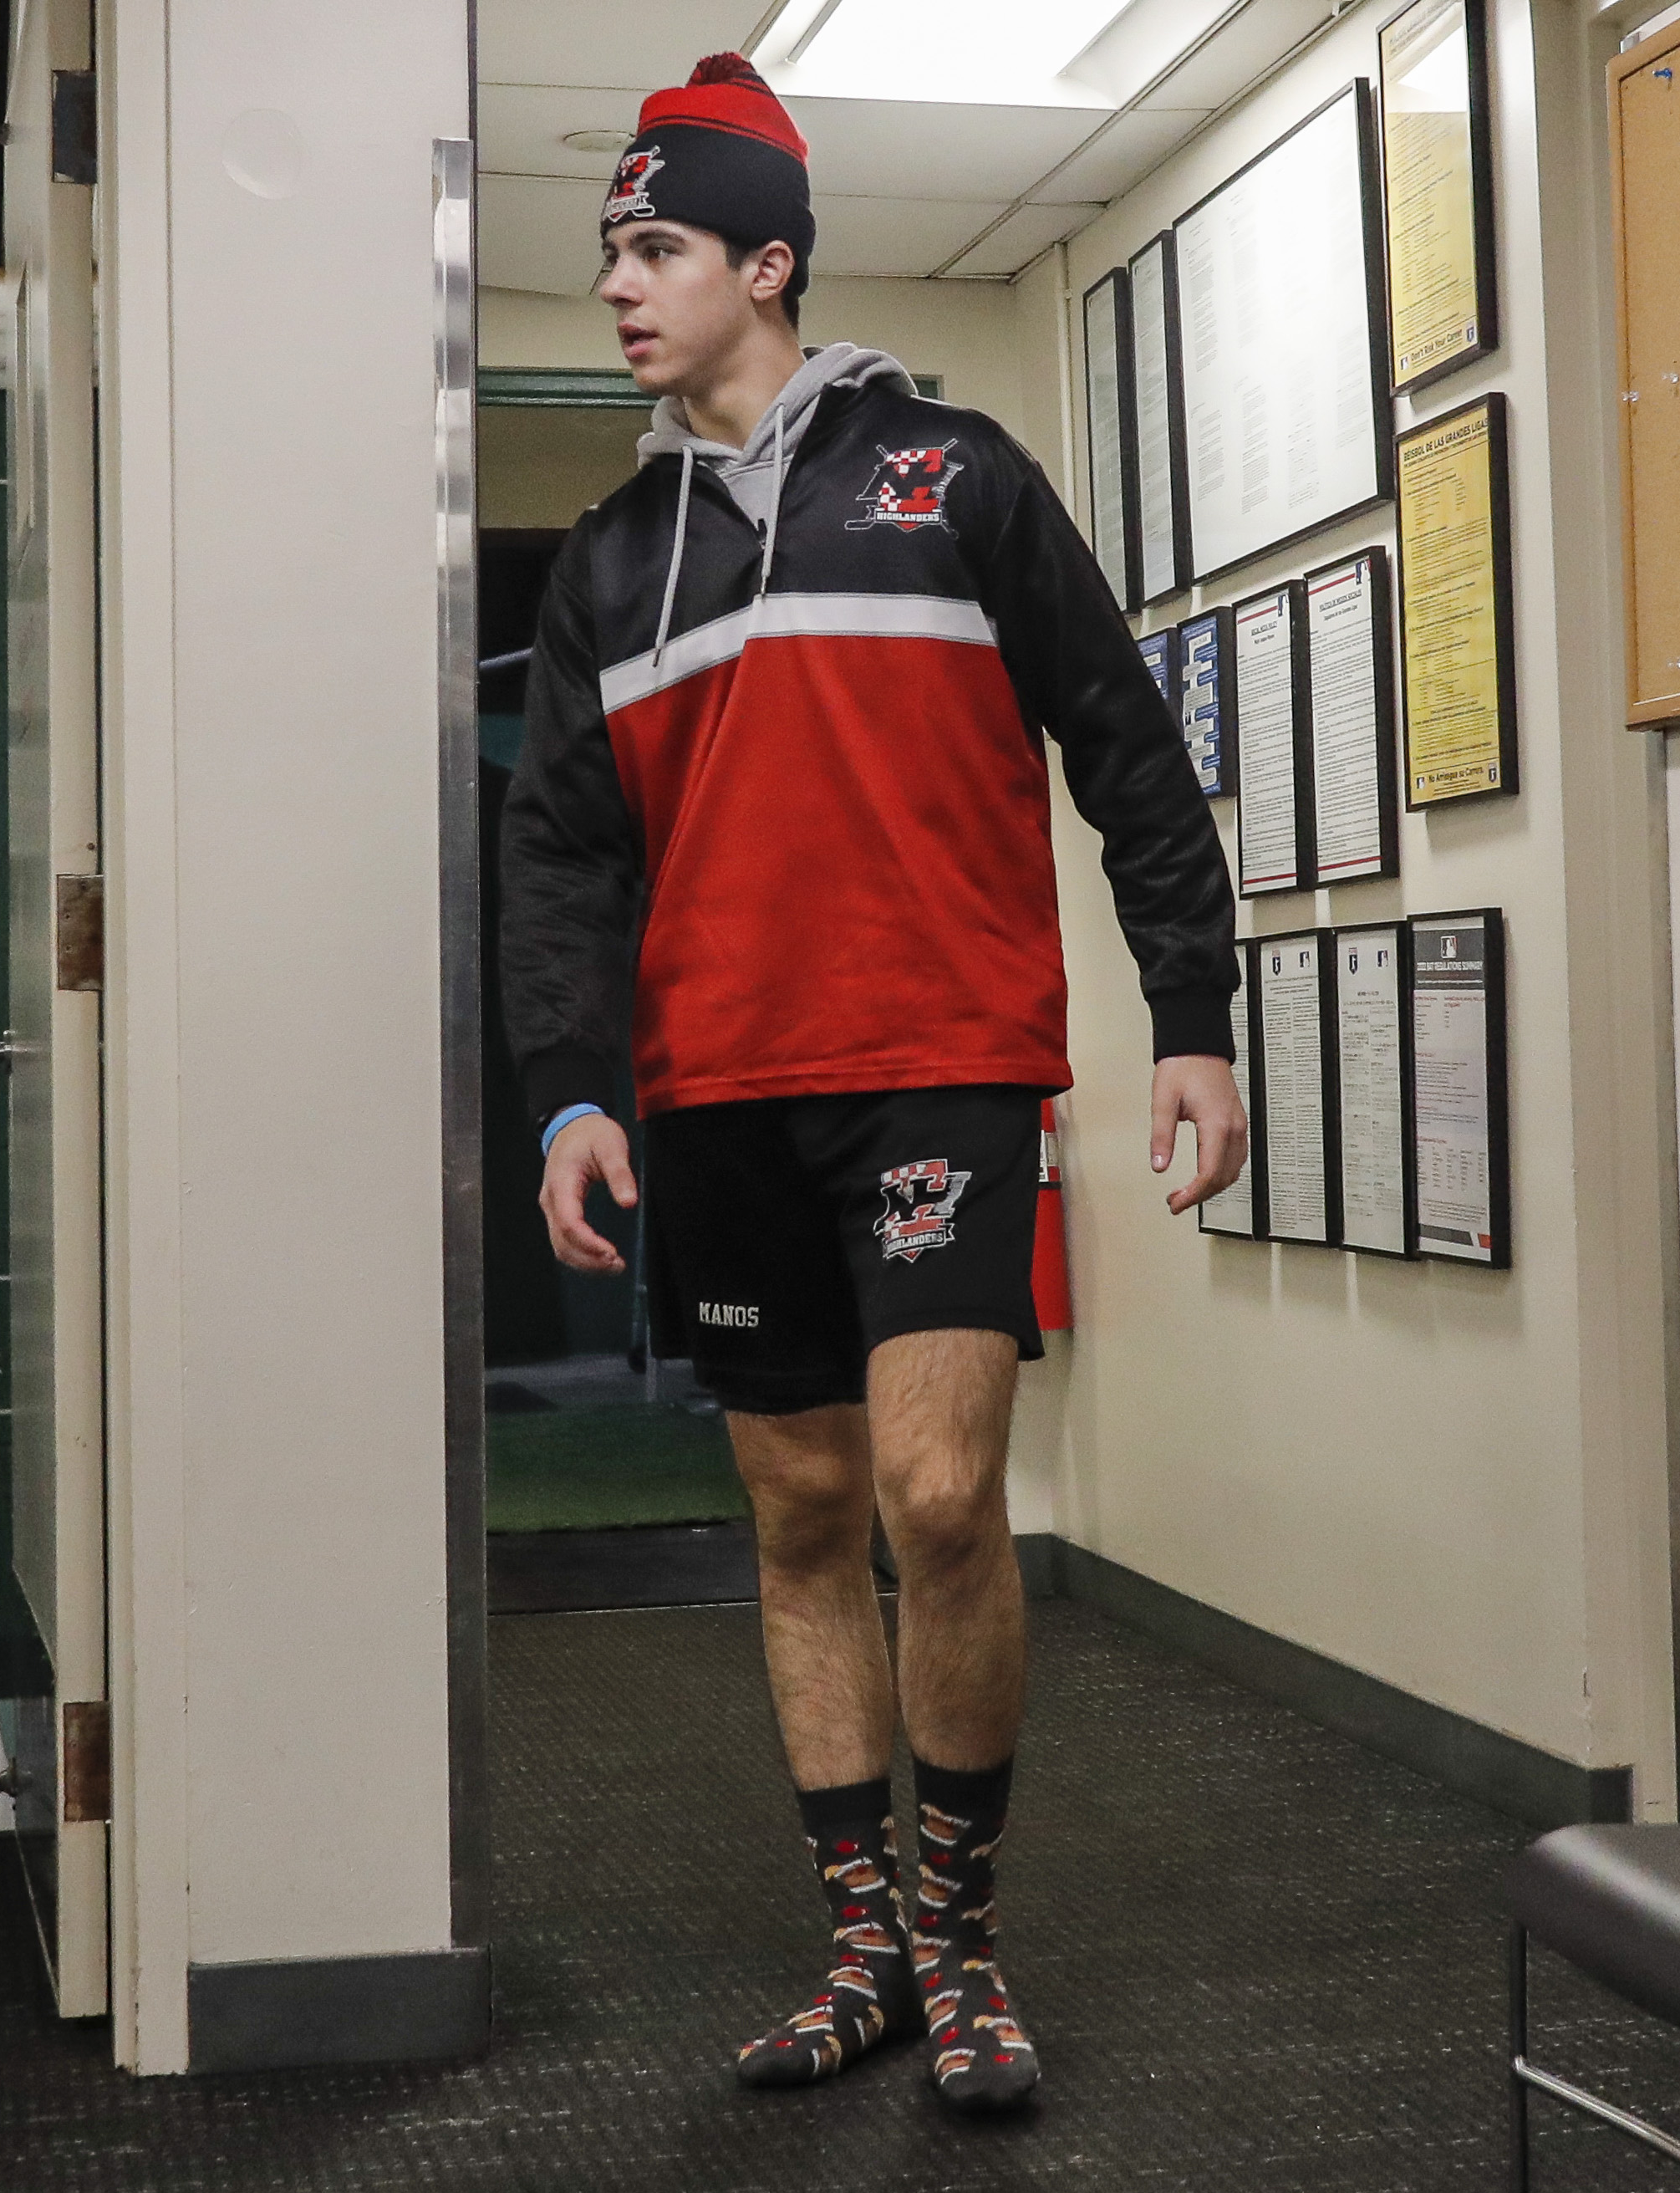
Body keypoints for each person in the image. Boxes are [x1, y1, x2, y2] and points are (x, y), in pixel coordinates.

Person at [496, 54, 1245, 2114]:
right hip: (722, 1089)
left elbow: (1125, 743)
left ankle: (968, 1941)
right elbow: (558, 853)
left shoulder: (957, 476)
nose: (623, 290)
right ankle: (866, 1955)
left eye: (655, 249)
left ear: (770, 259)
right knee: (806, 1511)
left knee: (936, 1493)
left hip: (939, 1067)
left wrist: (1195, 1008)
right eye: (610, 254)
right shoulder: (608, 560)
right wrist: (572, 1090)